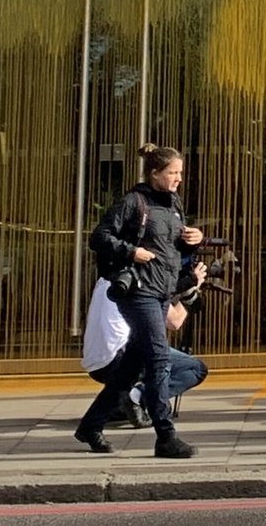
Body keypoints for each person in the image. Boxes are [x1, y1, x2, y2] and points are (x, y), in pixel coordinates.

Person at [78, 143, 203, 458]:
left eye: (180, 173)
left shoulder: (173, 205)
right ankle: (165, 436)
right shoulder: (134, 202)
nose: (178, 179)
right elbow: (99, 237)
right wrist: (132, 252)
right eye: (173, 173)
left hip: (161, 291)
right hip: (137, 292)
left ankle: (90, 427)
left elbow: (172, 251)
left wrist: (193, 240)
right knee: (159, 359)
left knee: (129, 369)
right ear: (155, 173)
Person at [79, 263, 211, 430]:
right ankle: (137, 396)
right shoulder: (145, 281)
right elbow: (175, 321)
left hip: (96, 365)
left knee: (147, 348)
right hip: (120, 359)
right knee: (195, 368)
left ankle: (118, 407)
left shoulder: (107, 279)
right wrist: (192, 290)